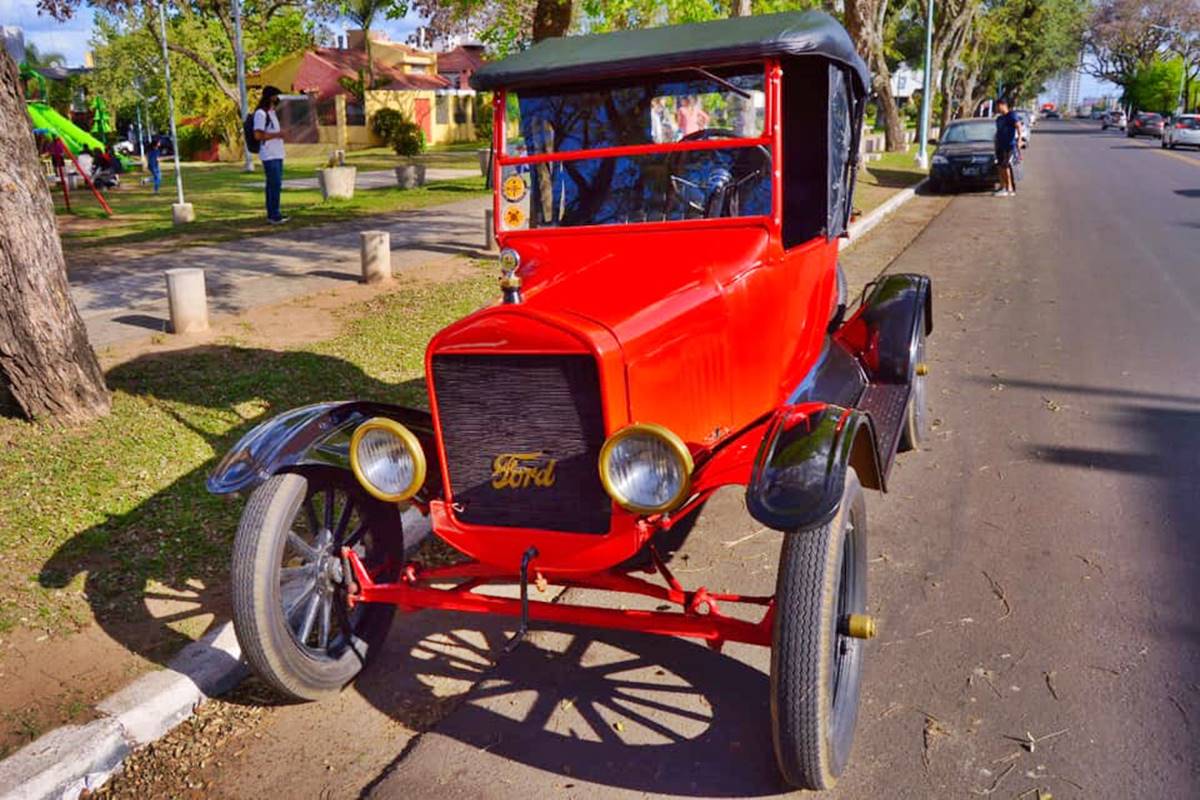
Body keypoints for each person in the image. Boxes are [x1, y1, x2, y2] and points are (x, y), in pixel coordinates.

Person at [253, 85, 288, 224]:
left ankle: (275, 211)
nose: (277, 99)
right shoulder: (261, 114)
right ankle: (273, 214)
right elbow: (258, 134)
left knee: (276, 184)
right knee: (274, 183)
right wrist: (277, 135)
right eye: (275, 96)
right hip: (269, 154)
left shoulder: (272, 113)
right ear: (270, 97)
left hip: (278, 153)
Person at [993, 99, 1023, 197]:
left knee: (1005, 166)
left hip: (1009, 145)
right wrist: (995, 143)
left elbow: (1018, 127)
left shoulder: (1011, 115)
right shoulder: (999, 119)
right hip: (1000, 146)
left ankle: (1009, 188)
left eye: (997, 106)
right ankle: (1002, 186)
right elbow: (998, 132)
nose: (996, 108)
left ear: (1002, 105)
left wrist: (1019, 140)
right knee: (999, 166)